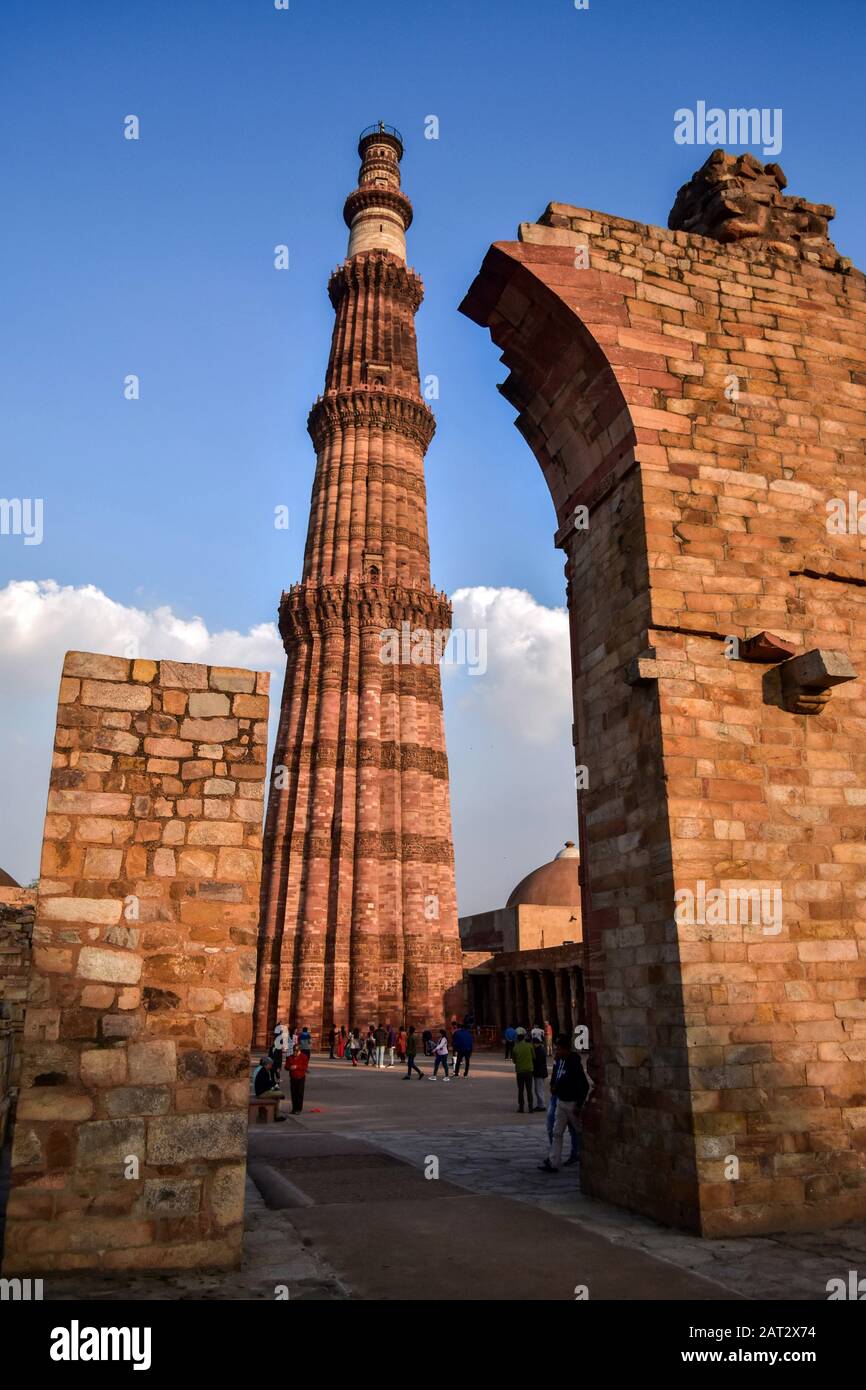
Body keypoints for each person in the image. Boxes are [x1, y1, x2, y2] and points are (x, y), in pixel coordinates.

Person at [539, 1035, 593, 1172]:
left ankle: (588, 1159)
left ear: (565, 1049)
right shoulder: (559, 1061)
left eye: (559, 1049)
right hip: (561, 1101)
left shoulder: (574, 1064)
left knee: (580, 1132)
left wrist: (579, 1104)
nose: (557, 1052)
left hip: (572, 1103)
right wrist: (554, 1086)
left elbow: (584, 1086)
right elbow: (557, 1077)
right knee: (557, 1132)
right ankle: (554, 1162)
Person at [511, 1027, 535, 1113]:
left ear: (517, 1038)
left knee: (520, 1090)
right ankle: (531, 1107)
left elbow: (514, 1060)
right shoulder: (529, 1046)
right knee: (529, 1090)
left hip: (520, 1071)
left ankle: (521, 1107)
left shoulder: (515, 1048)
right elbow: (533, 1057)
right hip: (529, 1070)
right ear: (524, 1037)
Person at [286, 1044, 310, 1114]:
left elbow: (305, 1067)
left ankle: (299, 1109)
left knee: (299, 1093)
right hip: (293, 1077)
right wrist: (289, 1067)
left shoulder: (304, 1057)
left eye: (297, 1051)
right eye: (294, 1051)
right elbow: (286, 1066)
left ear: (300, 1051)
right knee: (293, 1093)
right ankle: (294, 1108)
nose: (295, 1052)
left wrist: (297, 1066)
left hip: (300, 1077)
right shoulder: (290, 1057)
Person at [531, 1027, 548, 1111]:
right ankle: (540, 1104)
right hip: (540, 1072)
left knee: (539, 1090)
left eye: (533, 1043)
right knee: (538, 1089)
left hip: (539, 1073)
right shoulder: (540, 1050)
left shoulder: (539, 1051)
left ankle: (542, 1105)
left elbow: (537, 1062)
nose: (533, 1045)